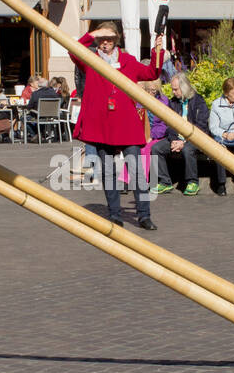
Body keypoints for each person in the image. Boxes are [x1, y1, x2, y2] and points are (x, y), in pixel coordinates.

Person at [74, 20, 159, 228]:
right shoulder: (90, 59)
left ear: (116, 40)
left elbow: (151, 74)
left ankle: (144, 215)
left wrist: (158, 50)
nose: (105, 43)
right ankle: (114, 214)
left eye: (109, 38)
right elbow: (74, 51)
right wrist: (92, 34)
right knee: (108, 171)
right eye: (102, 39)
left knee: (136, 170)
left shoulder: (128, 60)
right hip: (102, 124)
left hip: (126, 123)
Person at [150, 71, 209, 195]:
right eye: (172, 89)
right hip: (176, 138)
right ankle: (165, 182)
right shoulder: (173, 102)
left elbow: (201, 126)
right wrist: (174, 140)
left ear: (184, 87)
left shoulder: (198, 101)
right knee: (156, 148)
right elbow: (169, 124)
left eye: (176, 89)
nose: (173, 92)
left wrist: (184, 141)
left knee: (188, 150)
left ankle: (192, 182)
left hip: (194, 138)